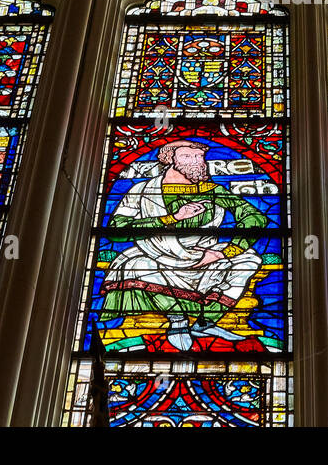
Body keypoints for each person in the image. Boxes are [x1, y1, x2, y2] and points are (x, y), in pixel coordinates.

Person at [101, 140, 269, 351]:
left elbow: (256, 218)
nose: (197, 161)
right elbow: (117, 230)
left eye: (199, 157)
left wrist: (221, 254)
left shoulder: (213, 190)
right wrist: (171, 218)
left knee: (250, 259)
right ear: (169, 159)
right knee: (135, 266)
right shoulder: (143, 190)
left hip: (205, 254)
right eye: (188, 156)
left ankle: (205, 321)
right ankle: (177, 321)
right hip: (157, 254)